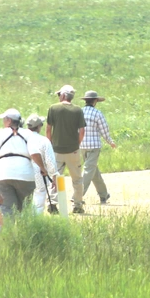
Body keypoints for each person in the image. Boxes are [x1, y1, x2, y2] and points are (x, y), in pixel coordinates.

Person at [0, 109, 46, 217]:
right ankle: (23, 232)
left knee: (6, 209)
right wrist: (43, 169)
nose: (3, 122)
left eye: (4, 119)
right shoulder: (28, 134)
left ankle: (7, 232)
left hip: (3, 175)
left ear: (9, 121)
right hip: (25, 175)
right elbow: (35, 154)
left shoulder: (0, 134)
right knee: (25, 209)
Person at [46, 84, 86, 214]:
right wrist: (77, 144)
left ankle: (52, 203)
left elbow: (48, 129)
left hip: (56, 150)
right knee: (77, 179)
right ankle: (78, 204)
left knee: (55, 178)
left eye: (59, 95)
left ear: (63, 95)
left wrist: (50, 145)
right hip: (73, 150)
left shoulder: (53, 108)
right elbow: (82, 131)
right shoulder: (78, 110)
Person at [79, 90, 117, 205]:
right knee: (89, 170)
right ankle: (78, 196)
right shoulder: (97, 113)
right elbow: (104, 130)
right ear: (95, 101)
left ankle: (103, 195)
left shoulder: (79, 112)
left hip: (82, 145)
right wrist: (110, 142)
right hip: (94, 146)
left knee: (93, 170)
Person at [25, 113, 58, 214]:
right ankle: (35, 219)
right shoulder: (43, 140)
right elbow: (49, 160)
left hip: (22, 171)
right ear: (39, 127)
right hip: (38, 171)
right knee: (39, 195)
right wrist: (53, 175)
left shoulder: (21, 137)